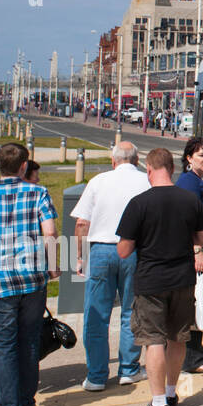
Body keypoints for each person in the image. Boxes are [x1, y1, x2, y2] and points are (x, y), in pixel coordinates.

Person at [116, 148, 203, 406]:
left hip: (151, 282)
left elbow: (123, 251)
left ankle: (158, 405)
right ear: (172, 168)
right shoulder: (190, 200)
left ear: (148, 169)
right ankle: (171, 393)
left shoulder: (139, 203)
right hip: (183, 280)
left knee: (154, 341)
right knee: (177, 338)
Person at [0, 143, 59, 406]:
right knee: (29, 341)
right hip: (32, 278)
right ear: (23, 167)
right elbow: (50, 231)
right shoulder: (38, 193)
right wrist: (53, 266)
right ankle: (27, 403)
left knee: (4, 347)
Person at [71, 141, 150, 391]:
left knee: (97, 314)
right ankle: (129, 369)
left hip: (101, 250)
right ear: (136, 160)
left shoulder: (98, 181)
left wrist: (79, 257)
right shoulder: (145, 181)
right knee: (131, 311)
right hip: (134, 251)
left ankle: (96, 376)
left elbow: (82, 223)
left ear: (113, 161)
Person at [176, 138, 203, 375]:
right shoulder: (190, 184)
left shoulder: (196, 181)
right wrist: (198, 250)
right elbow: (188, 220)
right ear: (188, 158)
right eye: (201, 155)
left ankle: (190, 355)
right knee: (195, 304)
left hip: (198, 250)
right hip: (193, 254)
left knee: (195, 302)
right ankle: (193, 359)